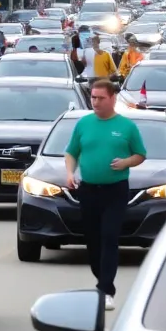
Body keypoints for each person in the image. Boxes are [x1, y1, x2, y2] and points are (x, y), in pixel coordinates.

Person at [63, 79, 146, 311]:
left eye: (100, 98)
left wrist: (126, 162)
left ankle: (105, 289)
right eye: (93, 97)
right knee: (93, 240)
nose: (95, 102)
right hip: (88, 190)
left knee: (110, 236)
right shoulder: (84, 124)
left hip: (115, 190)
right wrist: (70, 173)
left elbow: (140, 154)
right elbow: (71, 153)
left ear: (112, 99)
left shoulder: (127, 127)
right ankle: (101, 279)